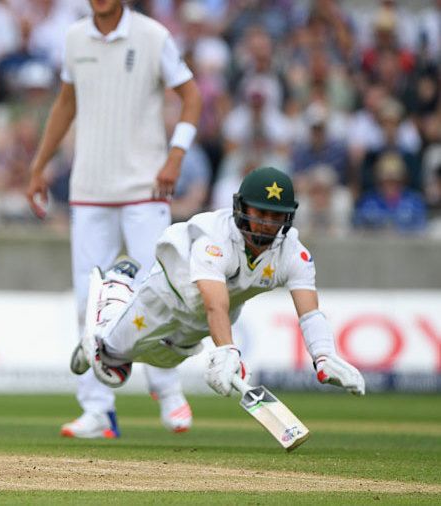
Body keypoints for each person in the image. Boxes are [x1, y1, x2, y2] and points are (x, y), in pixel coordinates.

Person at [25, 0, 202, 438]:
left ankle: (167, 389)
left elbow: (192, 97)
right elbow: (66, 104)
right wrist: (39, 166)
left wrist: (176, 156)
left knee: (158, 289)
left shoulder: (152, 36)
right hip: (89, 190)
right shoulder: (74, 38)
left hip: (146, 186)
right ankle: (97, 410)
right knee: (89, 300)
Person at [71, 167, 366, 410]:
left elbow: (309, 312)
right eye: (260, 212)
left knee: (166, 358)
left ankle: (114, 322)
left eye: (276, 216)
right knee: (111, 359)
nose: (267, 223)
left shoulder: (293, 253)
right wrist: (227, 350)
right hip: (169, 295)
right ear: (241, 207)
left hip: (203, 320)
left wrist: (324, 356)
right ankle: (118, 287)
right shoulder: (214, 238)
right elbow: (215, 304)